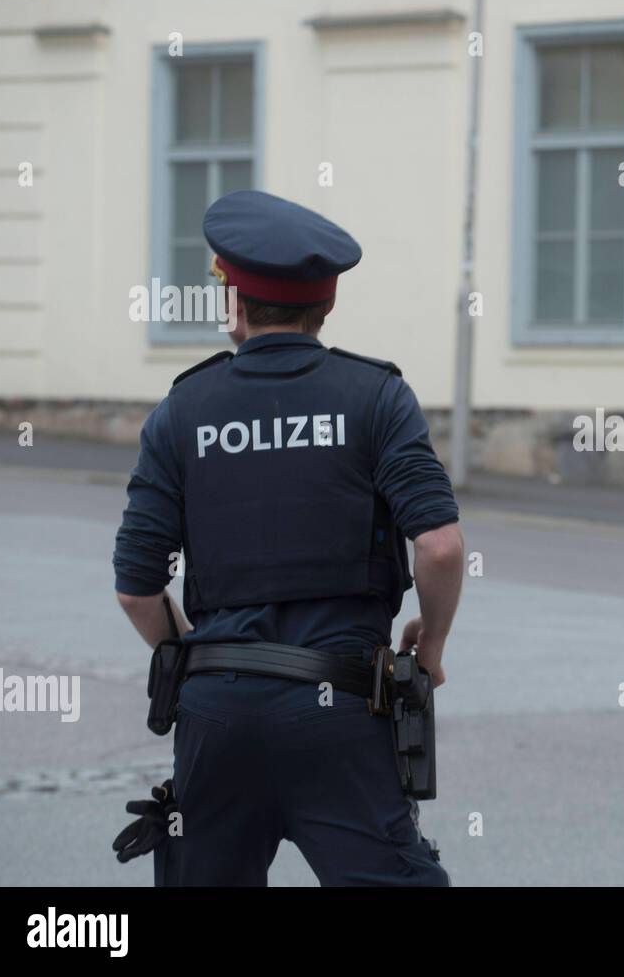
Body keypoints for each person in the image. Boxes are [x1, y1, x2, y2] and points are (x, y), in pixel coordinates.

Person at [112, 189, 463, 886]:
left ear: (234, 301)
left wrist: (192, 660)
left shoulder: (184, 409)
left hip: (218, 719)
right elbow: (442, 546)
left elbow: (136, 587)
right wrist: (434, 642)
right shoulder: (376, 397)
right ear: (326, 304)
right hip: (338, 712)